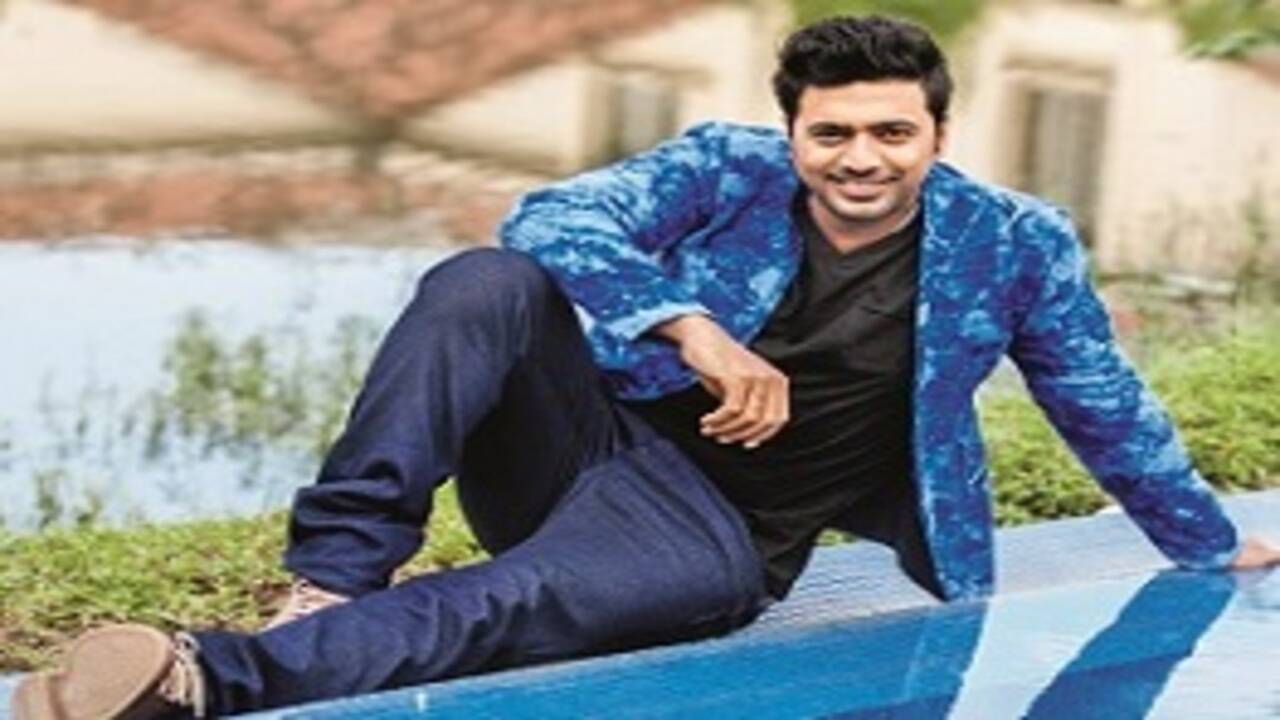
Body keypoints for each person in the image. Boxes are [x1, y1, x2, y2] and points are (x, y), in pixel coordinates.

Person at [14, 14, 1279, 720]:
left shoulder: (1009, 243)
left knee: (499, 608)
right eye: (831, 133)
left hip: (715, 538)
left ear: (937, 134)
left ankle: (200, 675)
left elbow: (1096, 400)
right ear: (792, 131)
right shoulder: (726, 169)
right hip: (589, 449)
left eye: (891, 132)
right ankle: (329, 581)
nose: (860, 158)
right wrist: (688, 327)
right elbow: (550, 218)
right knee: (484, 282)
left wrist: (1201, 540)